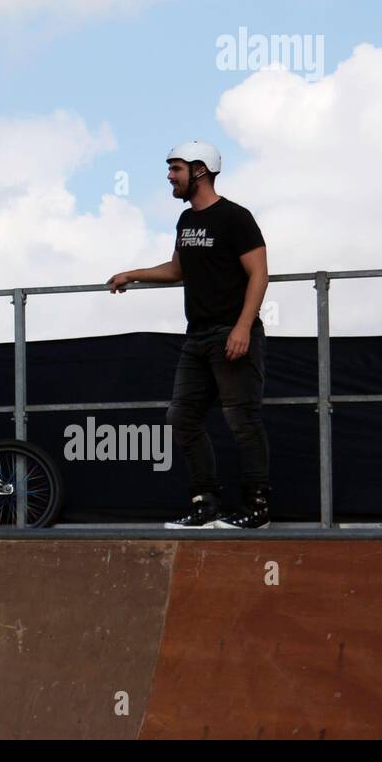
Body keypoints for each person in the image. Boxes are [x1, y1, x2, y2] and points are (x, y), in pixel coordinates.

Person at [107, 140, 271, 530]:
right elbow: (178, 269)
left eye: (175, 168)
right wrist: (133, 273)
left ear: (199, 170)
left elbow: (259, 273)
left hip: (231, 333)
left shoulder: (235, 217)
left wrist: (243, 327)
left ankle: (258, 508)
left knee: (242, 421)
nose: (169, 176)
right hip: (196, 337)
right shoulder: (186, 222)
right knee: (181, 418)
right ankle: (206, 503)